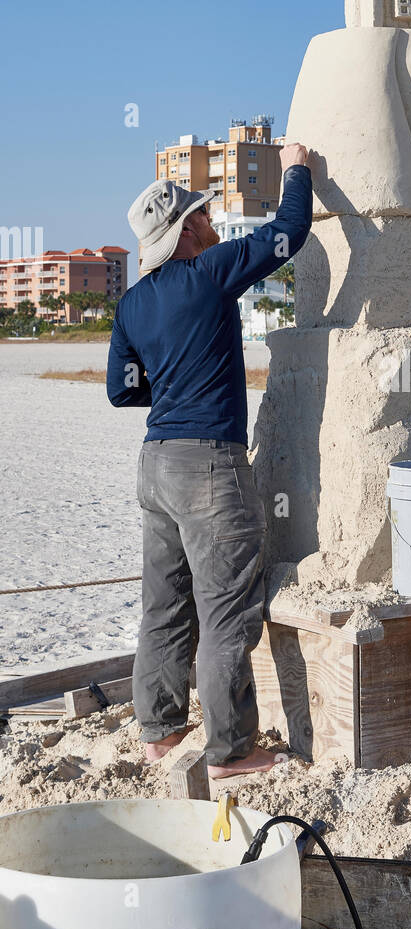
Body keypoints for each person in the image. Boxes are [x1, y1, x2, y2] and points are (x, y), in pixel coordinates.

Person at [107, 141, 312, 779]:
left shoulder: (132, 304)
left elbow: (123, 389)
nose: (212, 222)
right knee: (226, 608)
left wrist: (169, 382)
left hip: (156, 464)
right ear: (186, 231)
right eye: (202, 215)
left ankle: (160, 733)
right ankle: (231, 751)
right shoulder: (209, 273)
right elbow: (288, 234)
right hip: (208, 467)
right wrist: (297, 168)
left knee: (164, 604)